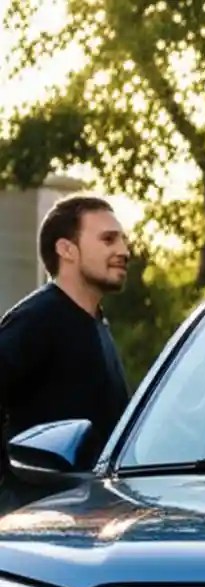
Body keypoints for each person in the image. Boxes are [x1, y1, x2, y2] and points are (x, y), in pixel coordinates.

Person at [0, 194, 132, 512]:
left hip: (91, 518)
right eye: (108, 239)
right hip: (38, 527)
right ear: (66, 250)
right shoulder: (37, 319)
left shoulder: (95, 323)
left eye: (124, 240)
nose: (124, 251)